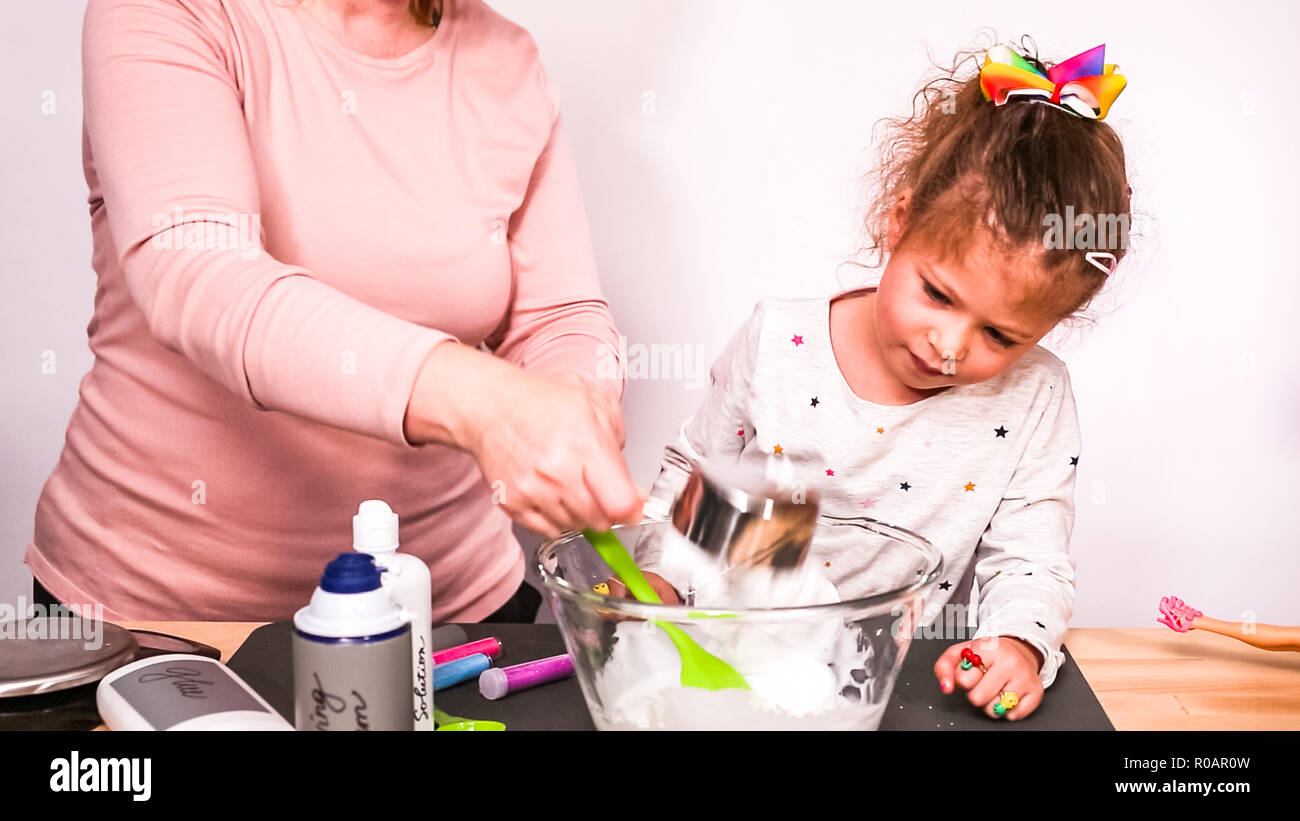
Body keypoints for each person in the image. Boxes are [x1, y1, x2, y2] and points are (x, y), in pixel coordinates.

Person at [26, 0, 643, 623]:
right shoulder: (171, 11)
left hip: (452, 613)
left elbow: (558, 317)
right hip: (159, 619)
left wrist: (572, 402)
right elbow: (199, 271)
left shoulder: (507, 58)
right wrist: (486, 405)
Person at [620, 39, 1132, 721]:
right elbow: (693, 486)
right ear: (899, 221)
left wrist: (1016, 642)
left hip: (881, 686)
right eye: (939, 295)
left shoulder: (1033, 395)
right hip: (724, 664)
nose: (948, 347)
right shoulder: (779, 343)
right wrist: (655, 576)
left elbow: (1030, 557)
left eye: (1001, 335)